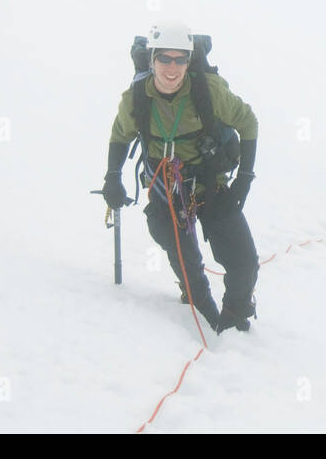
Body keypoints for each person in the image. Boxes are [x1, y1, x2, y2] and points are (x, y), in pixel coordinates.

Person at [101, 21, 260, 334]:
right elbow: (120, 136)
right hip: (166, 189)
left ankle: (234, 319)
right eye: (164, 59)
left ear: (189, 61)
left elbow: (248, 122)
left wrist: (244, 177)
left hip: (210, 184)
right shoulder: (136, 98)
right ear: (152, 60)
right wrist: (112, 177)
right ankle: (200, 308)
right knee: (184, 259)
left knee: (244, 263)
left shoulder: (209, 92)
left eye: (180, 60)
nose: (172, 69)